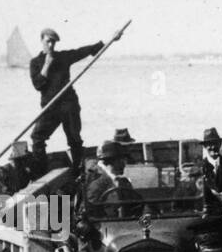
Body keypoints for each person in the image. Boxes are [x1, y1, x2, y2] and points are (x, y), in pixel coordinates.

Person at [29, 26, 117, 171]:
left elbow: (85, 51)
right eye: (48, 41)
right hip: (50, 108)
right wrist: (47, 63)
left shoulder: (63, 57)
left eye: (53, 42)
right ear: (42, 41)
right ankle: (40, 172)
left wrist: (110, 39)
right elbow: (38, 84)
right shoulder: (35, 62)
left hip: (68, 105)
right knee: (37, 138)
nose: (51, 45)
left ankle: (78, 171)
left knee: (74, 140)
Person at [85, 140, 144, 217]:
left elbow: (138, 203)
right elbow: (92, 213)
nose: (124, 164)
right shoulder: (96, 184)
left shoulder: (124, 182)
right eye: (121, 160)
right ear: (110, 161)